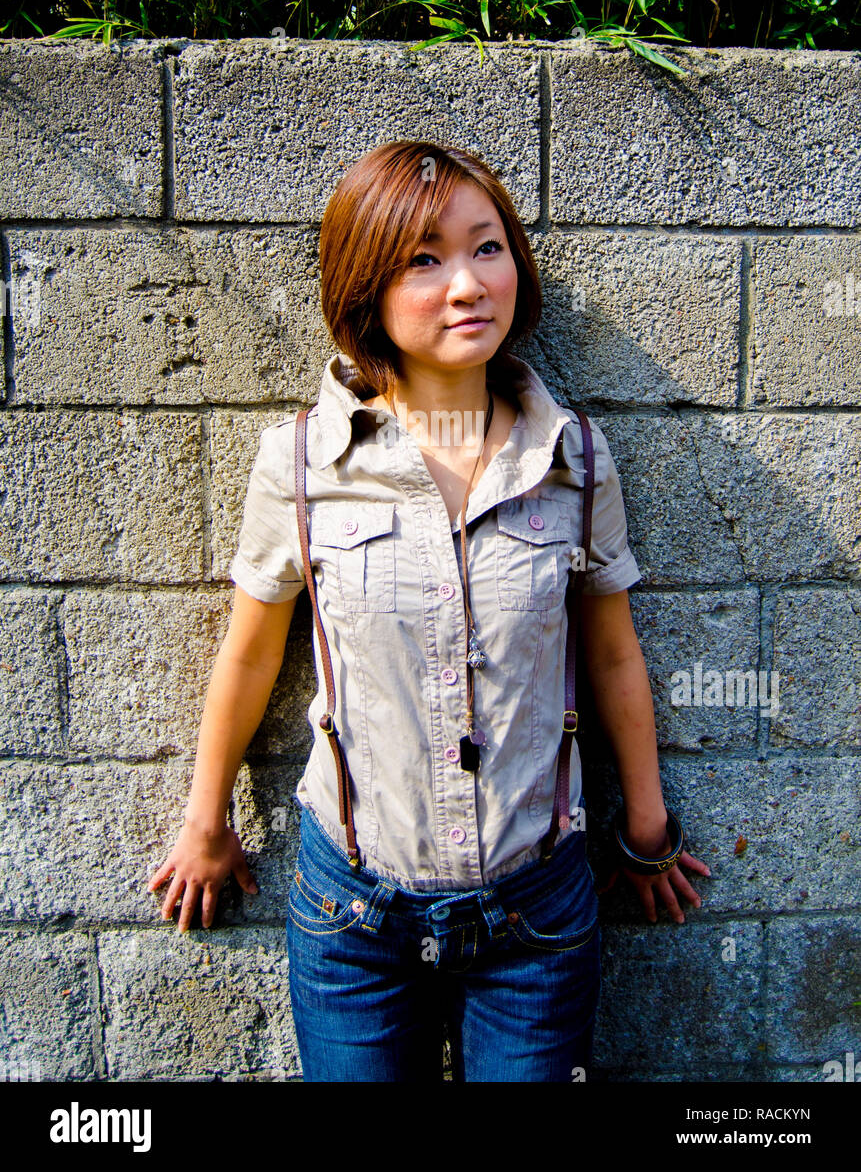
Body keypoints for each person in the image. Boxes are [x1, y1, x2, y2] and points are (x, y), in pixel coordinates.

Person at [148, 140, 710, 1083]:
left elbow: (611, 654)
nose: (467, 285)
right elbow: (249, 655)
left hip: (539, 914)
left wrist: (644, 830)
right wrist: (208, 819)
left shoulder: (572, 456)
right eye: (423, 259)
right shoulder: (302, 463)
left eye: (486, 248)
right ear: (365, 287)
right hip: (353, 919)